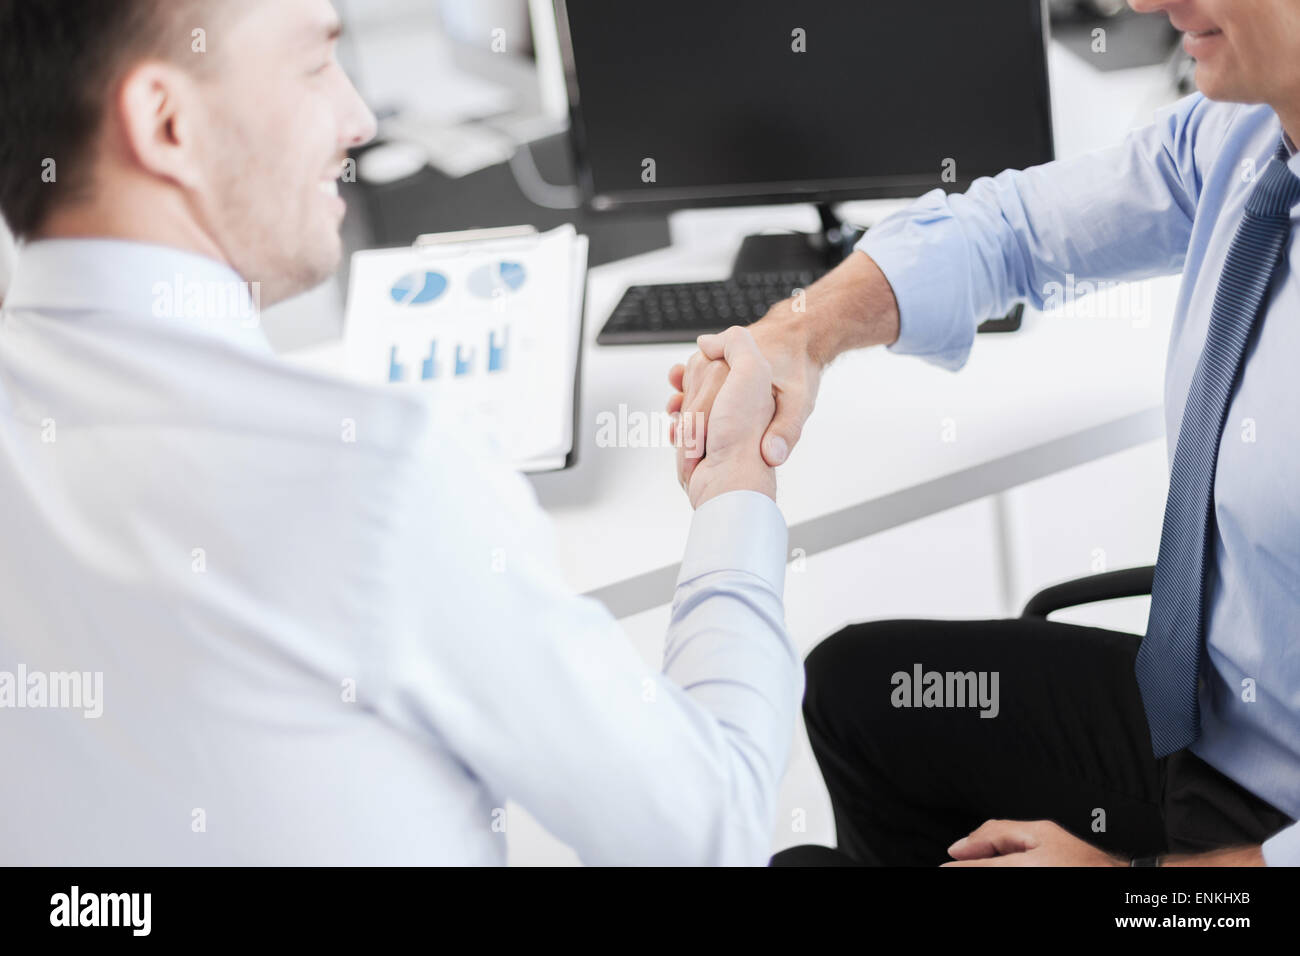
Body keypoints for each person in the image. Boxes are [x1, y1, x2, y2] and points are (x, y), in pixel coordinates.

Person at [0, 0, 801, 865]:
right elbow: (707, 834)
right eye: (314, 67)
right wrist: (733, 493)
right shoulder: (370, 477)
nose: (359, 118)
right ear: (167, 123)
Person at [671, 0, 1300, 866]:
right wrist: (795, 336)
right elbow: (1015, 233)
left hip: (1273, 816)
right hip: (1217, 712)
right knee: (857, 690)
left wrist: (1140, 885)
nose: (1146, 3)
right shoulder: (1244, 139)